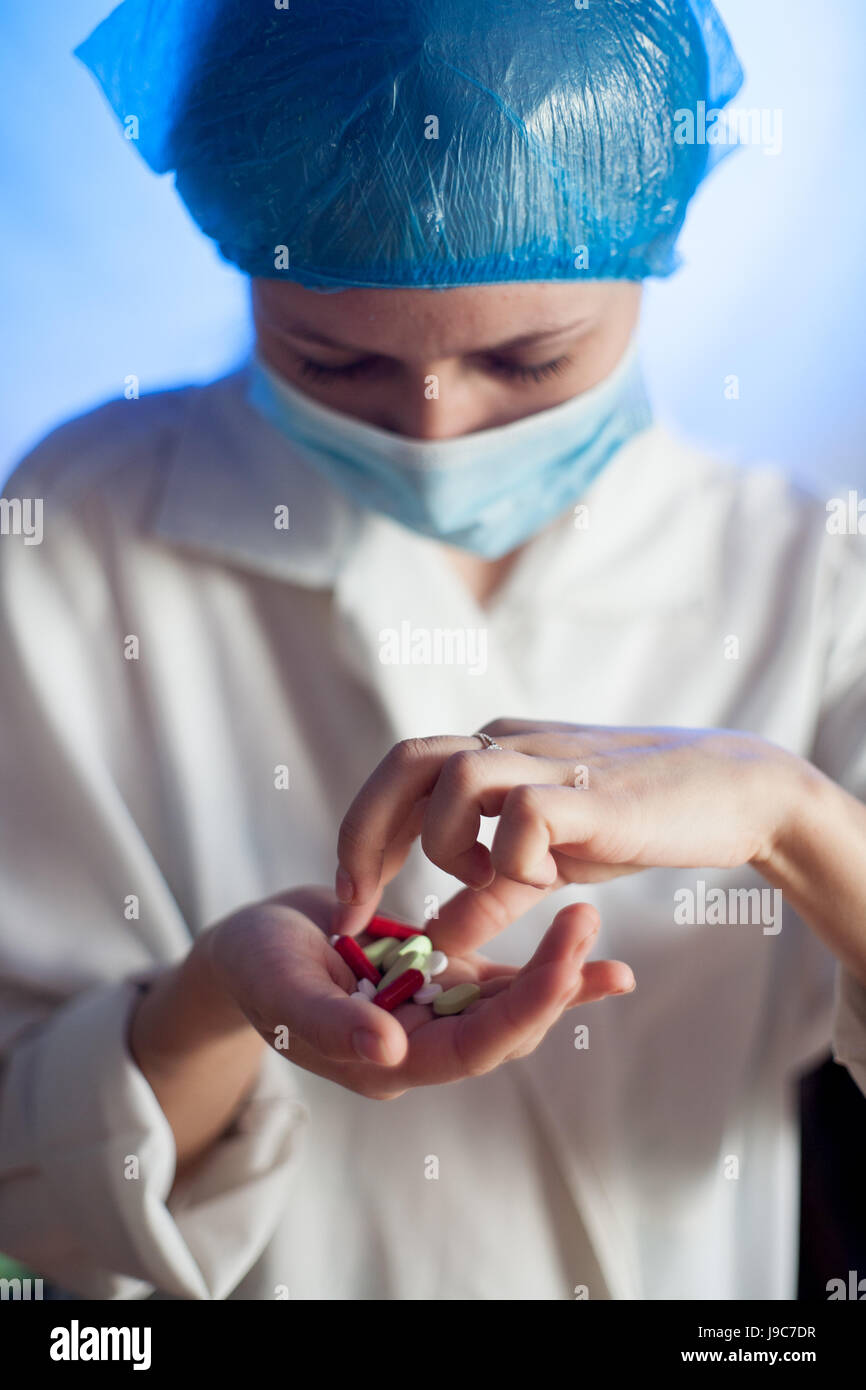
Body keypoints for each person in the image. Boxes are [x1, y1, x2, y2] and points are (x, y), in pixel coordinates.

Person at [1, 0, 865, 1301]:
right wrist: (214, 1001)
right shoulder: (73, 531)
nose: (432, 423)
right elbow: (34, 1202)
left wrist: (791, 818)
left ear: (654, 249)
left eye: (528, 359)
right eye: (330, 361)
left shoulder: (802, 567)